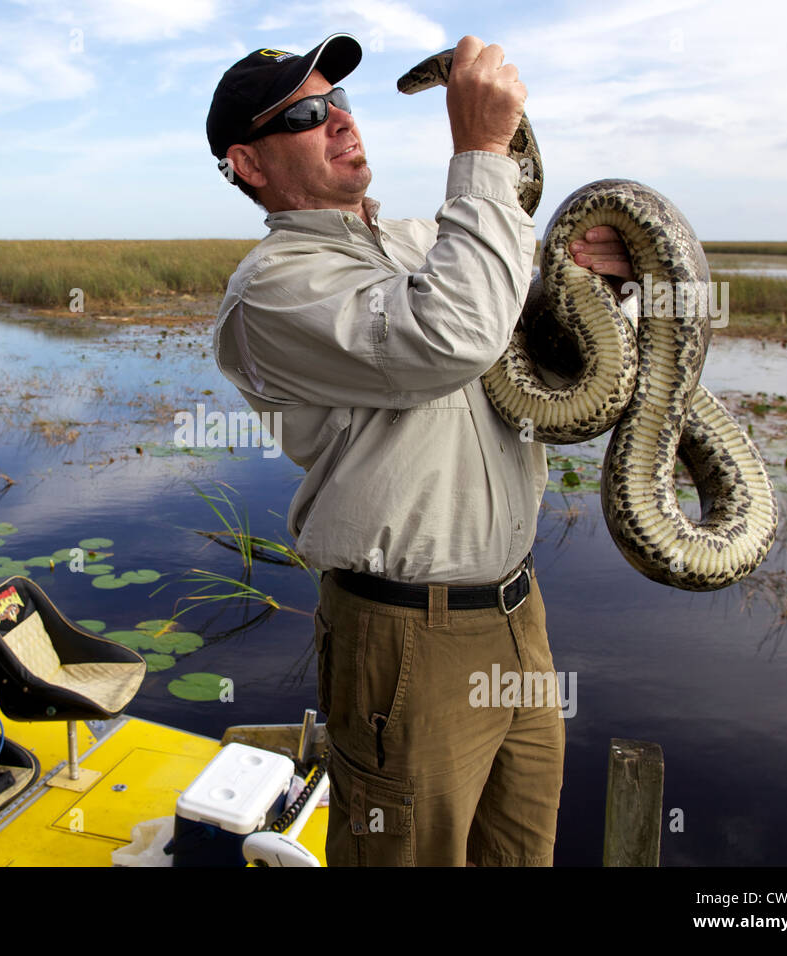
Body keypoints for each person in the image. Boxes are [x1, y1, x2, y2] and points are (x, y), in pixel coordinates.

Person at [207, 34, 633, 865]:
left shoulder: (419, 241)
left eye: (338, 101)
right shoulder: (273, 290)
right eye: (302, 113)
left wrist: (595, 288)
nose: (336, 120)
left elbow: (528, 356)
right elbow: (455, 338)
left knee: (522, 854)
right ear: (248, 165)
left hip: (519, 616)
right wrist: (480, 153)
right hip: (405, 641)